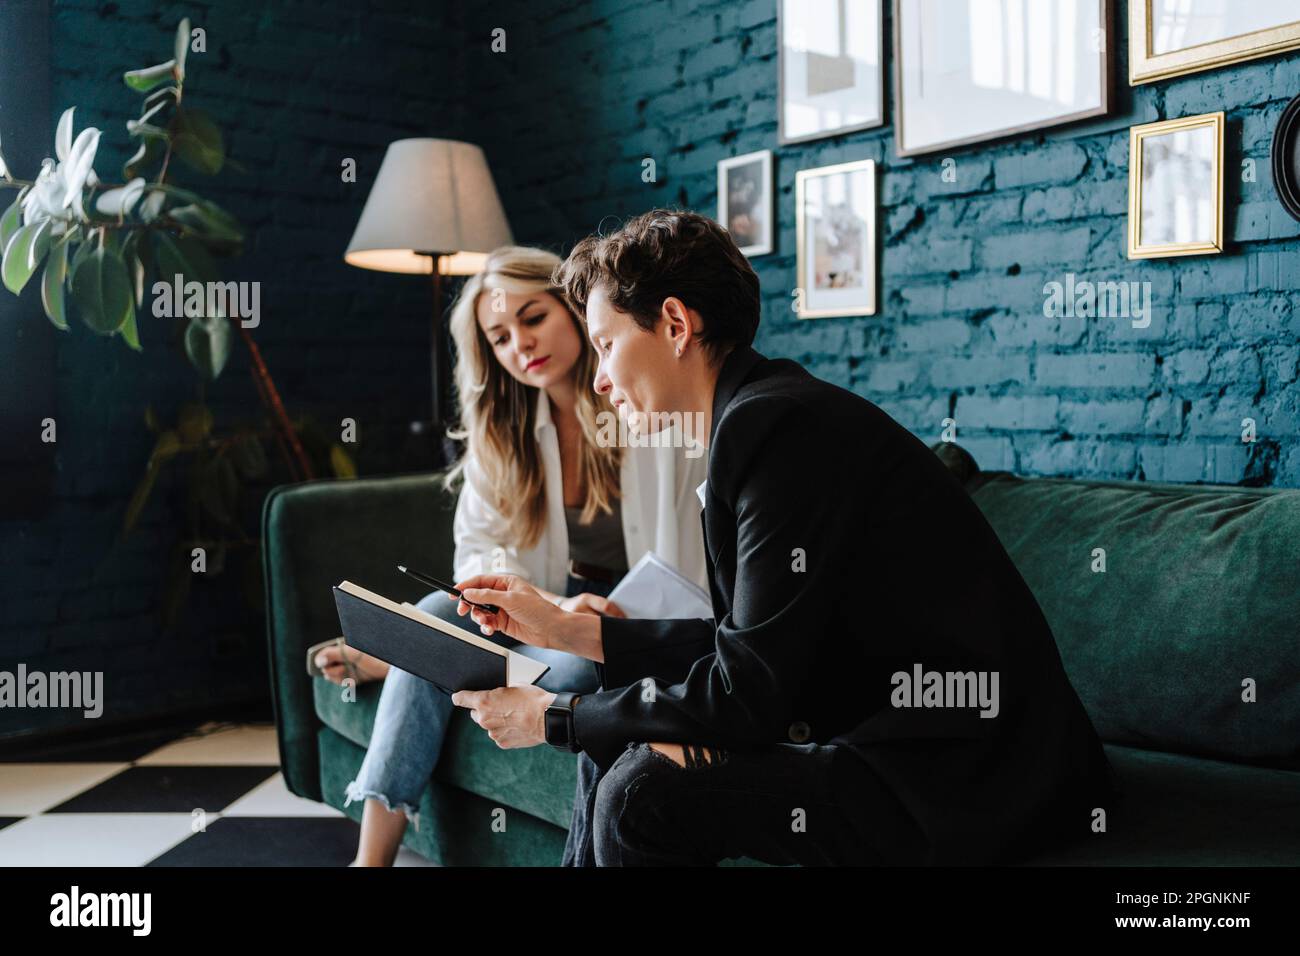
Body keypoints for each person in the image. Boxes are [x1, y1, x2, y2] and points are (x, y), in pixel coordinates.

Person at [447, 209, 1119, 867]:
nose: (598, 380)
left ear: (676, 324)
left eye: (606, 345)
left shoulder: (775, 431)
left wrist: (555, 717)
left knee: (641, 792)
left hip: (962, 774)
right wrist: (569, 631)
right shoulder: (765, 414)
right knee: (621, 746)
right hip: (888, 731)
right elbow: (753, 649)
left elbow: (750, 693)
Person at [330, 246, 708, 866]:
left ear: (573, 307)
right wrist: (558, 607)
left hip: (627, 634)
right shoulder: (503, 433)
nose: (520, 345)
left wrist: (586, 624)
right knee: (434, 611)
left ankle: (402, 662)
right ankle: (369, 863)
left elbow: (695, 554)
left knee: (576, 669)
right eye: (499, 336)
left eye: (533, 318)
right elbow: (479, 561)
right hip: (544, 624)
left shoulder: (643, 401)